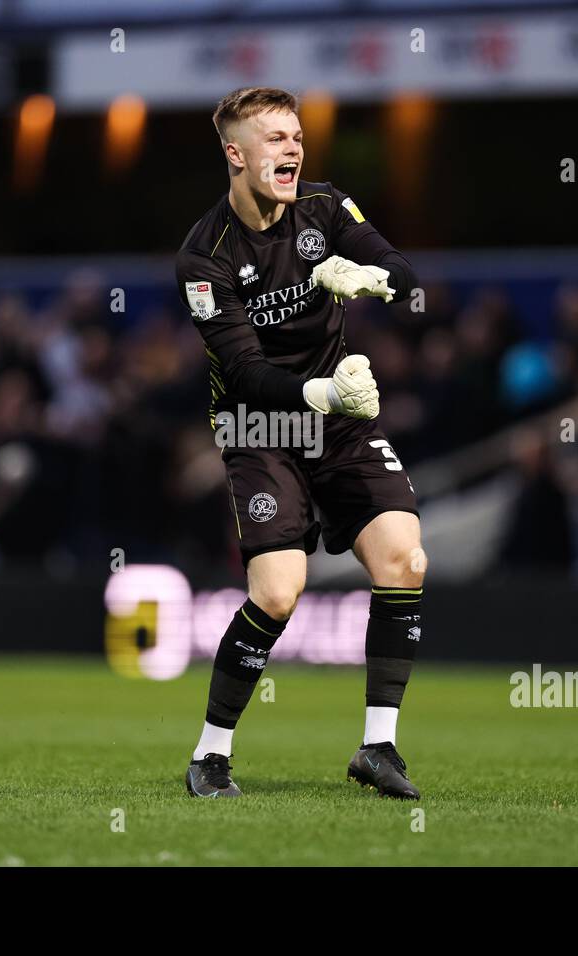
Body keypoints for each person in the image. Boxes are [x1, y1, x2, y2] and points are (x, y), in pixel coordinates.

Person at [174, 87, 425, 799]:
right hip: (262, 427)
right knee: (279, 594)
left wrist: (372, 278)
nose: (293, 149)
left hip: (342, 420)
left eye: (296, 137)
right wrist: (324, 394)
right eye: (276, 138)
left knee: (405, 559)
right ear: (236, 154)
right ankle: (210, 757)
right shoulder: (203, 257)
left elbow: (405, 275)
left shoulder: (324, 208)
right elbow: (247, 373)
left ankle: (379, 747)